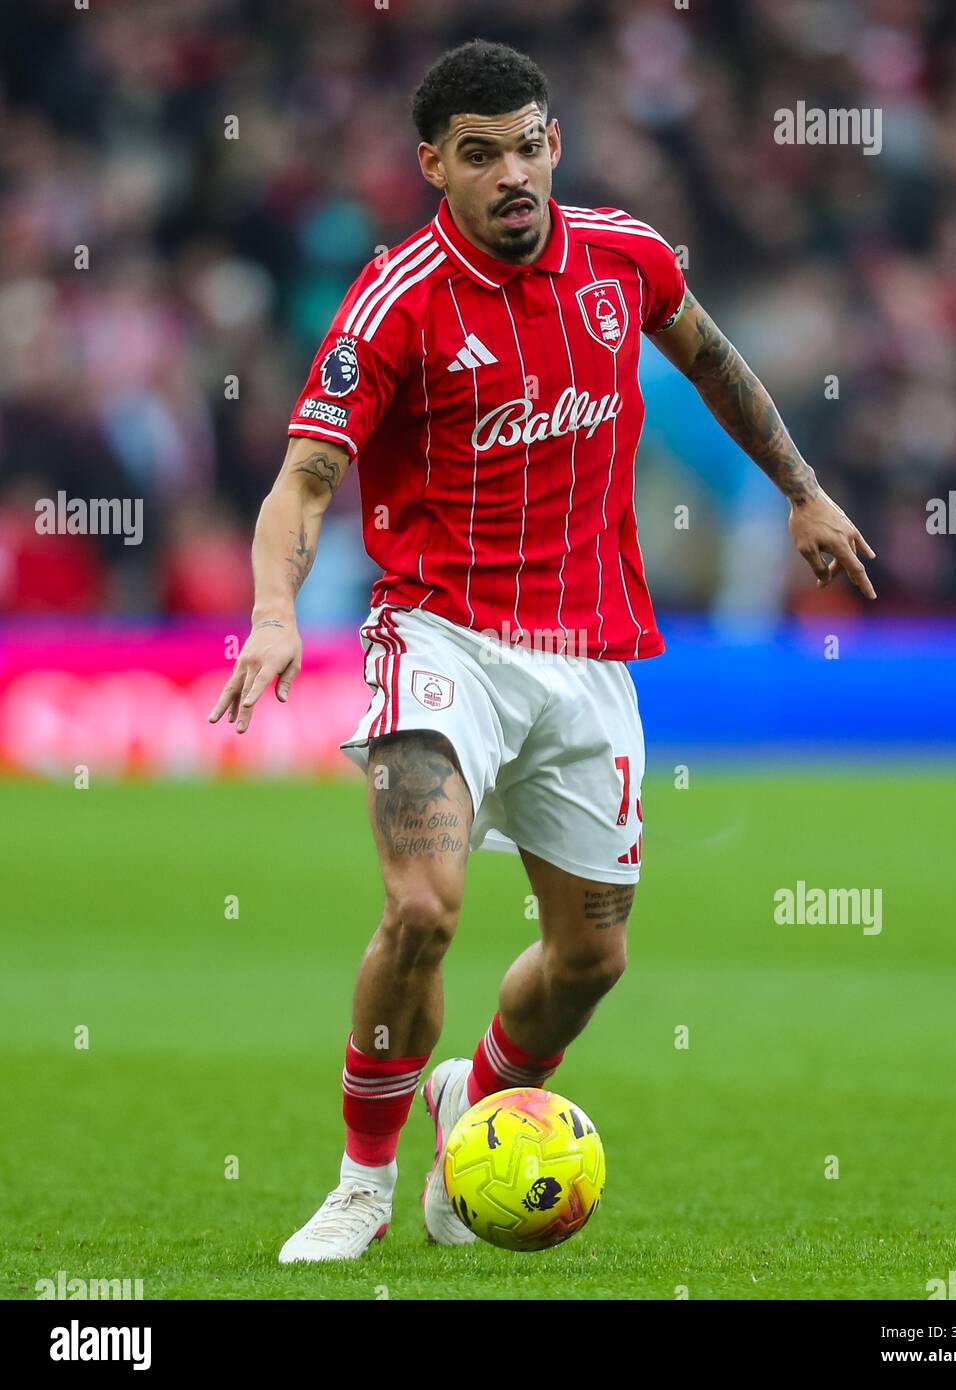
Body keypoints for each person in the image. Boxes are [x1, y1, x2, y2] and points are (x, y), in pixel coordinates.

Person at [208, 39, 875, 1262]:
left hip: (587, 648)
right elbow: (306, 480)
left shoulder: (622, 258)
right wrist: (270, 611)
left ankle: (477, 1097)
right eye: (481, 154)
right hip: (439, 629)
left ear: (553, 141)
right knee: (422, 907)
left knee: (590, 957)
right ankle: (360, 1182)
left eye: (529, 144)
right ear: (433, 166)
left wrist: (801, 489)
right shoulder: (394, 301)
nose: (513, 172)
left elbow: (716, 365)